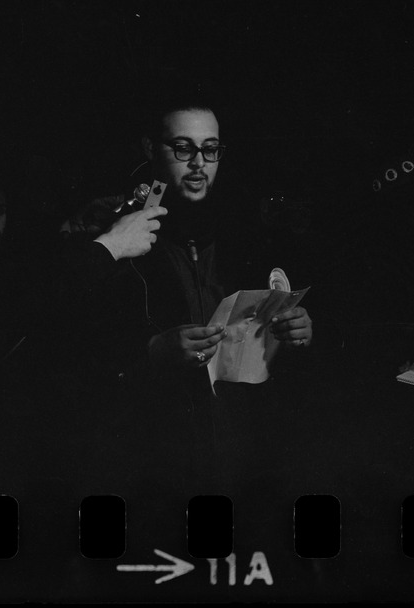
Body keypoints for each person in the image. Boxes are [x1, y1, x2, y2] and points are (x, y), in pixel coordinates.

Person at [52, 91, 314, 497]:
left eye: (210, 151)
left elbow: (278, 333)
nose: (198, 164)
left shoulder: (247, 234)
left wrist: (301, 330)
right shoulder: (112, 233)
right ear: (150, 150)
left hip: (241, 451)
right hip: (153, 459)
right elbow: (65, 350)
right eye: (182, 148)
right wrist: (151, 352)